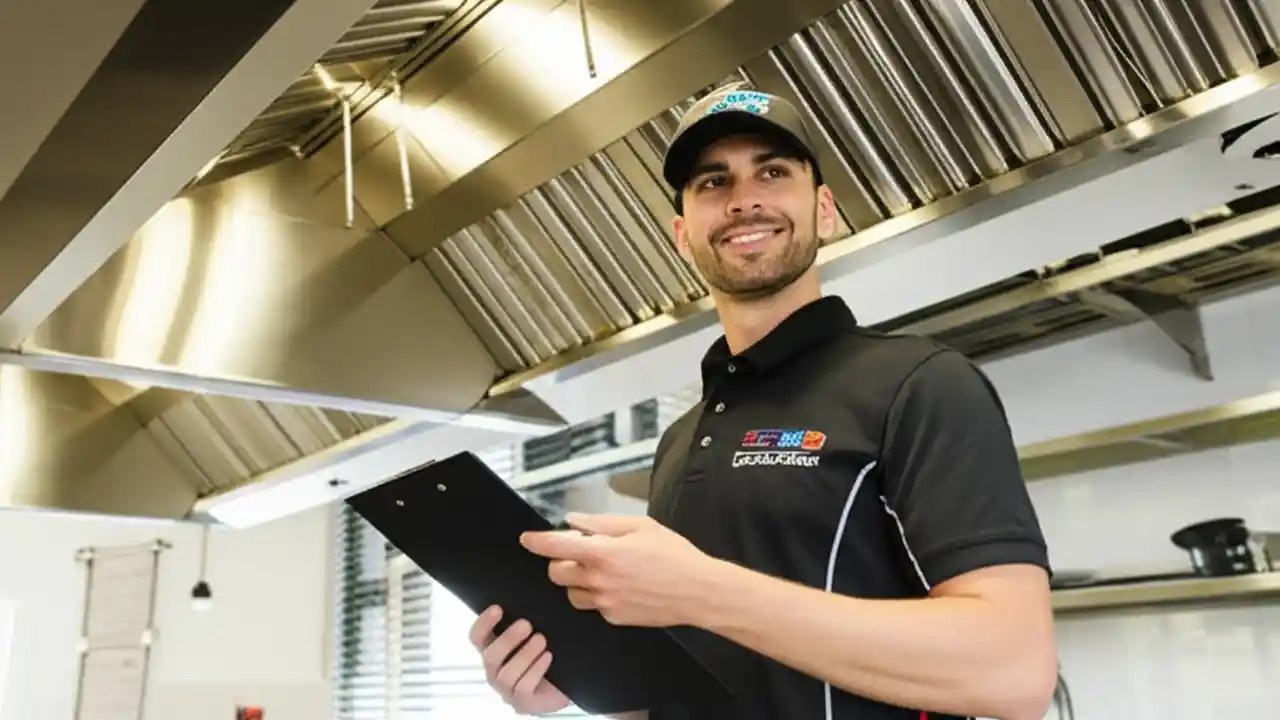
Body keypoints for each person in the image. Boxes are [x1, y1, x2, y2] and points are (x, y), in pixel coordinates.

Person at [468, 83, 1058, 720]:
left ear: (824, 210)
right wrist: (579, 682)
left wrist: (701, 590)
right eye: (713, 183)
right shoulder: (682, 436)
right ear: (682, 234)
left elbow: (1013, 672)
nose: (744, 200)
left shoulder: (920, 384)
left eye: (773, 173)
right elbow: (697, 676)